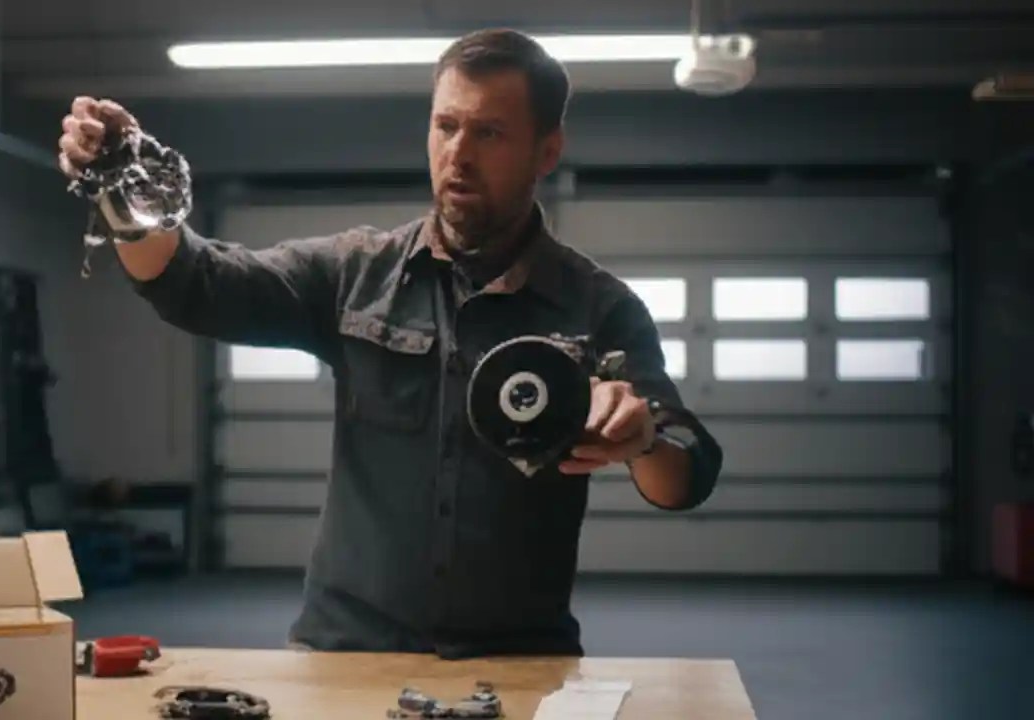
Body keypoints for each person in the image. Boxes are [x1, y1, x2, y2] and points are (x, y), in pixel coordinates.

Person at [58, 28, 723, 658]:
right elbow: (190, 283)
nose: (458, 154)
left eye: (489, 132)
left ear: (546, 151)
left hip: (521, 662)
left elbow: (686, 476)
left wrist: (643, 443)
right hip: (344, 652)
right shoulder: (354, 273)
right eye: (445, 125)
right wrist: (124, 187)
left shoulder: (598, 305)